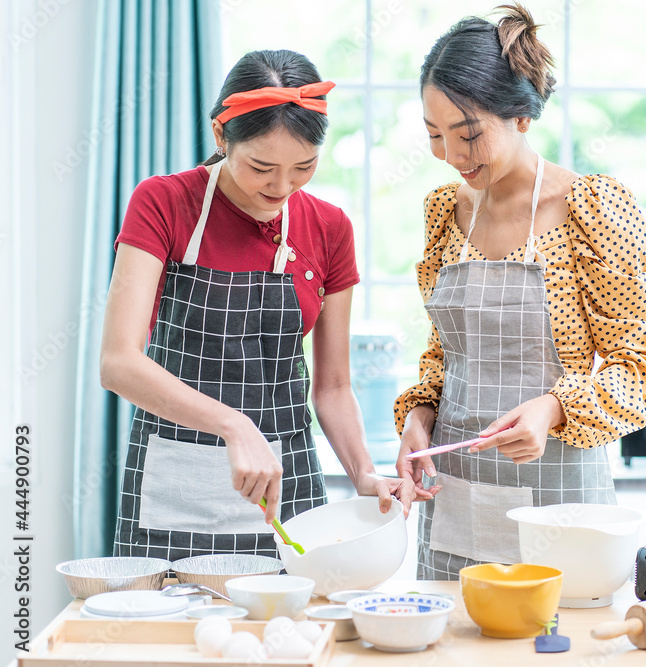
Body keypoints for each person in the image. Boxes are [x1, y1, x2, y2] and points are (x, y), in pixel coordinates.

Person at [101, 49, 416, 561]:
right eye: (262, 167)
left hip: (287, 489)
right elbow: (118, 364)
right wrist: (234, 424)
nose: (282, 187)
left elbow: (333, 386)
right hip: (173, 489)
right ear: (222, 137)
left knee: (287, 637)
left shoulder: (330, 228)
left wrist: (363, 473)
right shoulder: (162, 203)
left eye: (303, 167)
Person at [394, 4, 646, 580]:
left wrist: (555, 407)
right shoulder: (447, 212)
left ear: (521, 115)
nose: (451, 156)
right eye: (435, 135)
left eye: (468, 134)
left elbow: (643, 369)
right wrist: (419, 416)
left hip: (562, 511)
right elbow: (446, 354)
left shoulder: (592, 211)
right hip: (455, 509)